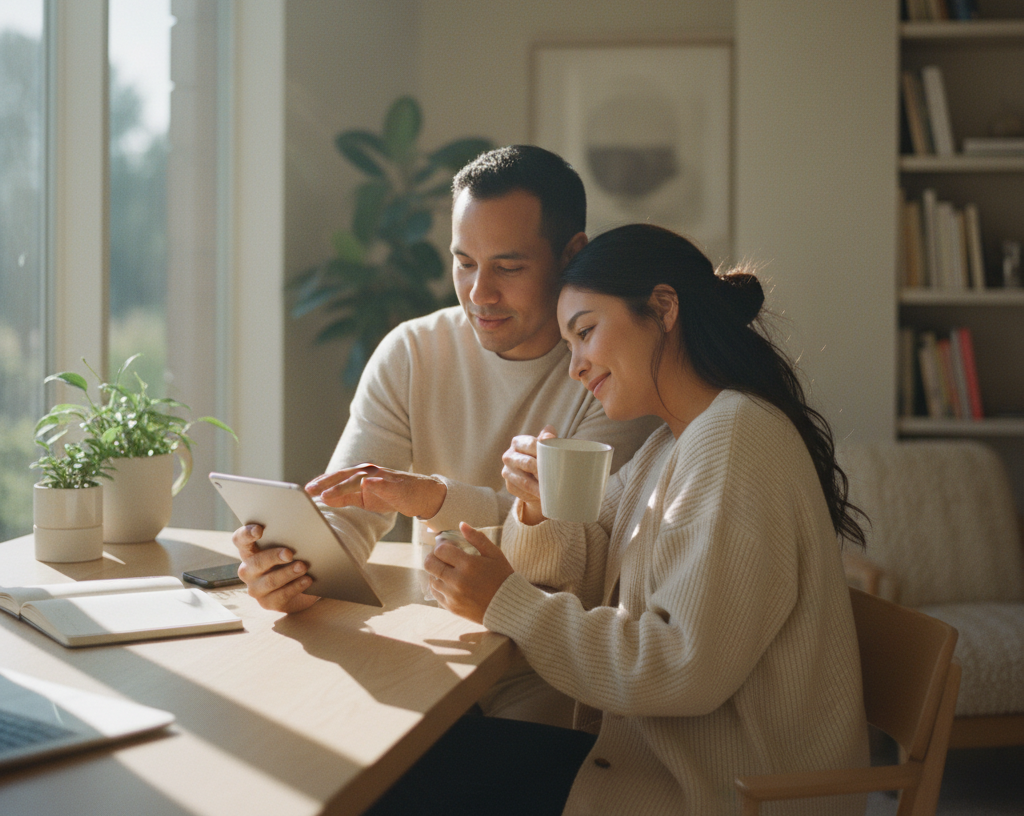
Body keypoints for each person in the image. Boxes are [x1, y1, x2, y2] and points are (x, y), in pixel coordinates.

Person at [376, 223, 869, 816]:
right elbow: (583, 569)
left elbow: (677, 667)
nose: (575, 367)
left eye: (585, 332)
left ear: (662, 309)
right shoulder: (671, 444)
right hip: (649, 769)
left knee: (400, 774)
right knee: (412, 756)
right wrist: (537, 508)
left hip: (713, 796)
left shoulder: (735, 437)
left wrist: (504, 601)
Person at [232, 147, 660, 723]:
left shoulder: (611, 371)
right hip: (430, 672)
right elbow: (347, 512)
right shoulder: (411, 352)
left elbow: (586, 563)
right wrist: (289, 570)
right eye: (464, 262)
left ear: (570, 256)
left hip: (550, 692)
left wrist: (433, 499)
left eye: (508, 267)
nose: (480, 293)